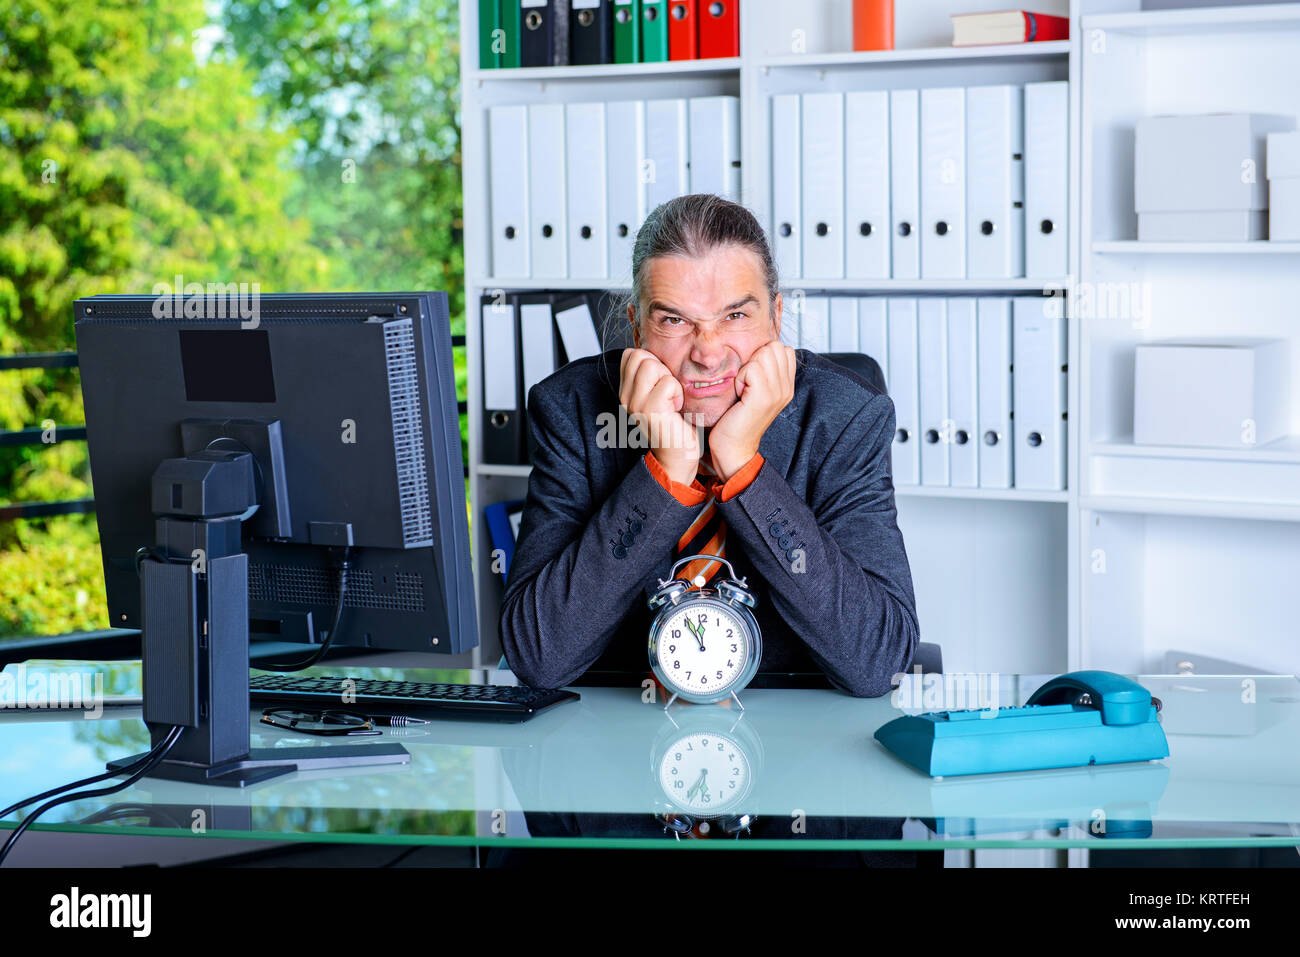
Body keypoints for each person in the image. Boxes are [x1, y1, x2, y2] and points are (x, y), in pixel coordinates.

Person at [500, 193, 919, 697]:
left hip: (793, 732)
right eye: (674, 321)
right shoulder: (570, 410)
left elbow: (878, 660)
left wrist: (744, 468)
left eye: (735, 316)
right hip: (618, 729)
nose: (707, 353)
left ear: (776, 315)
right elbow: (537, 658)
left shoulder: (846, 416)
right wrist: (667, 473)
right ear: (636, 325)